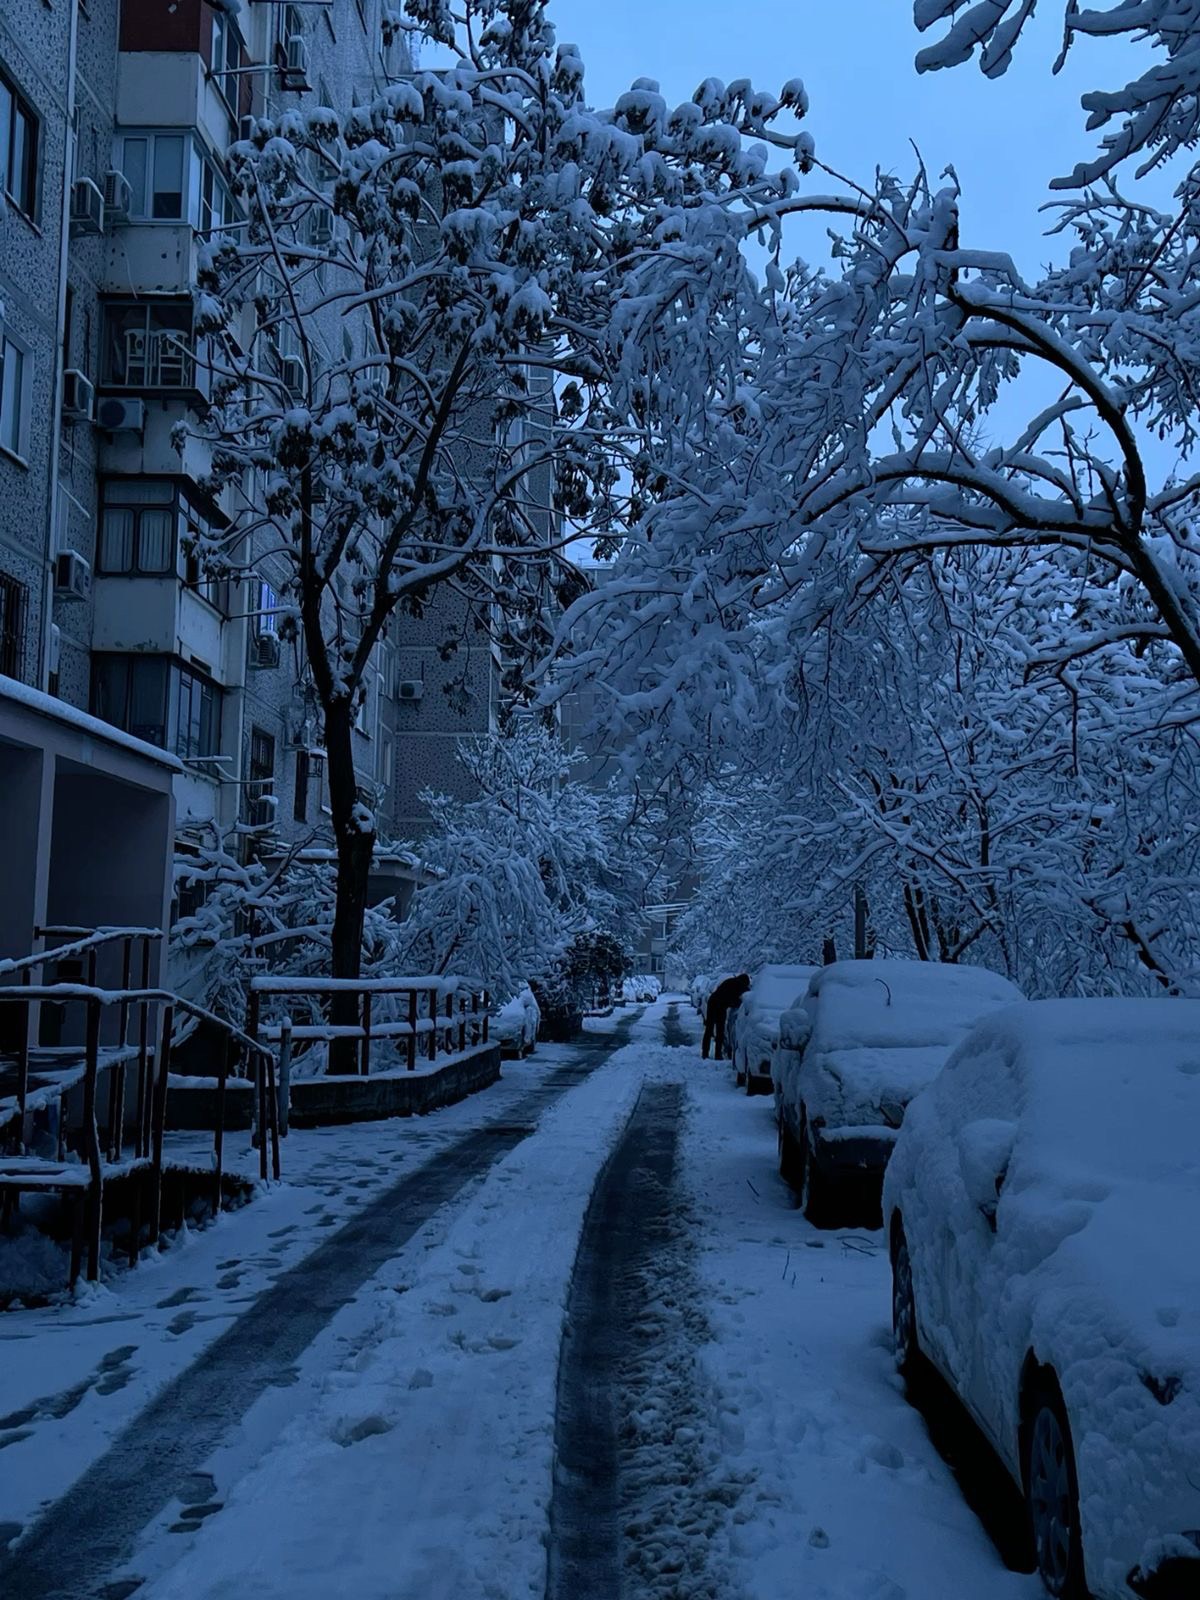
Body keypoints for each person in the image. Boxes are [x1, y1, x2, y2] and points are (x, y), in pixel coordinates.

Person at [702, 973, 752, 1060]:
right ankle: (717, 1054)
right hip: (719, 1005)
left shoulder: (730, 981)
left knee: (709, 1029)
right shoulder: (739, 985)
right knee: (719, 1030)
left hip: (713, 1002)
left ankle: (705, 1053)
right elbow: (743, 996)